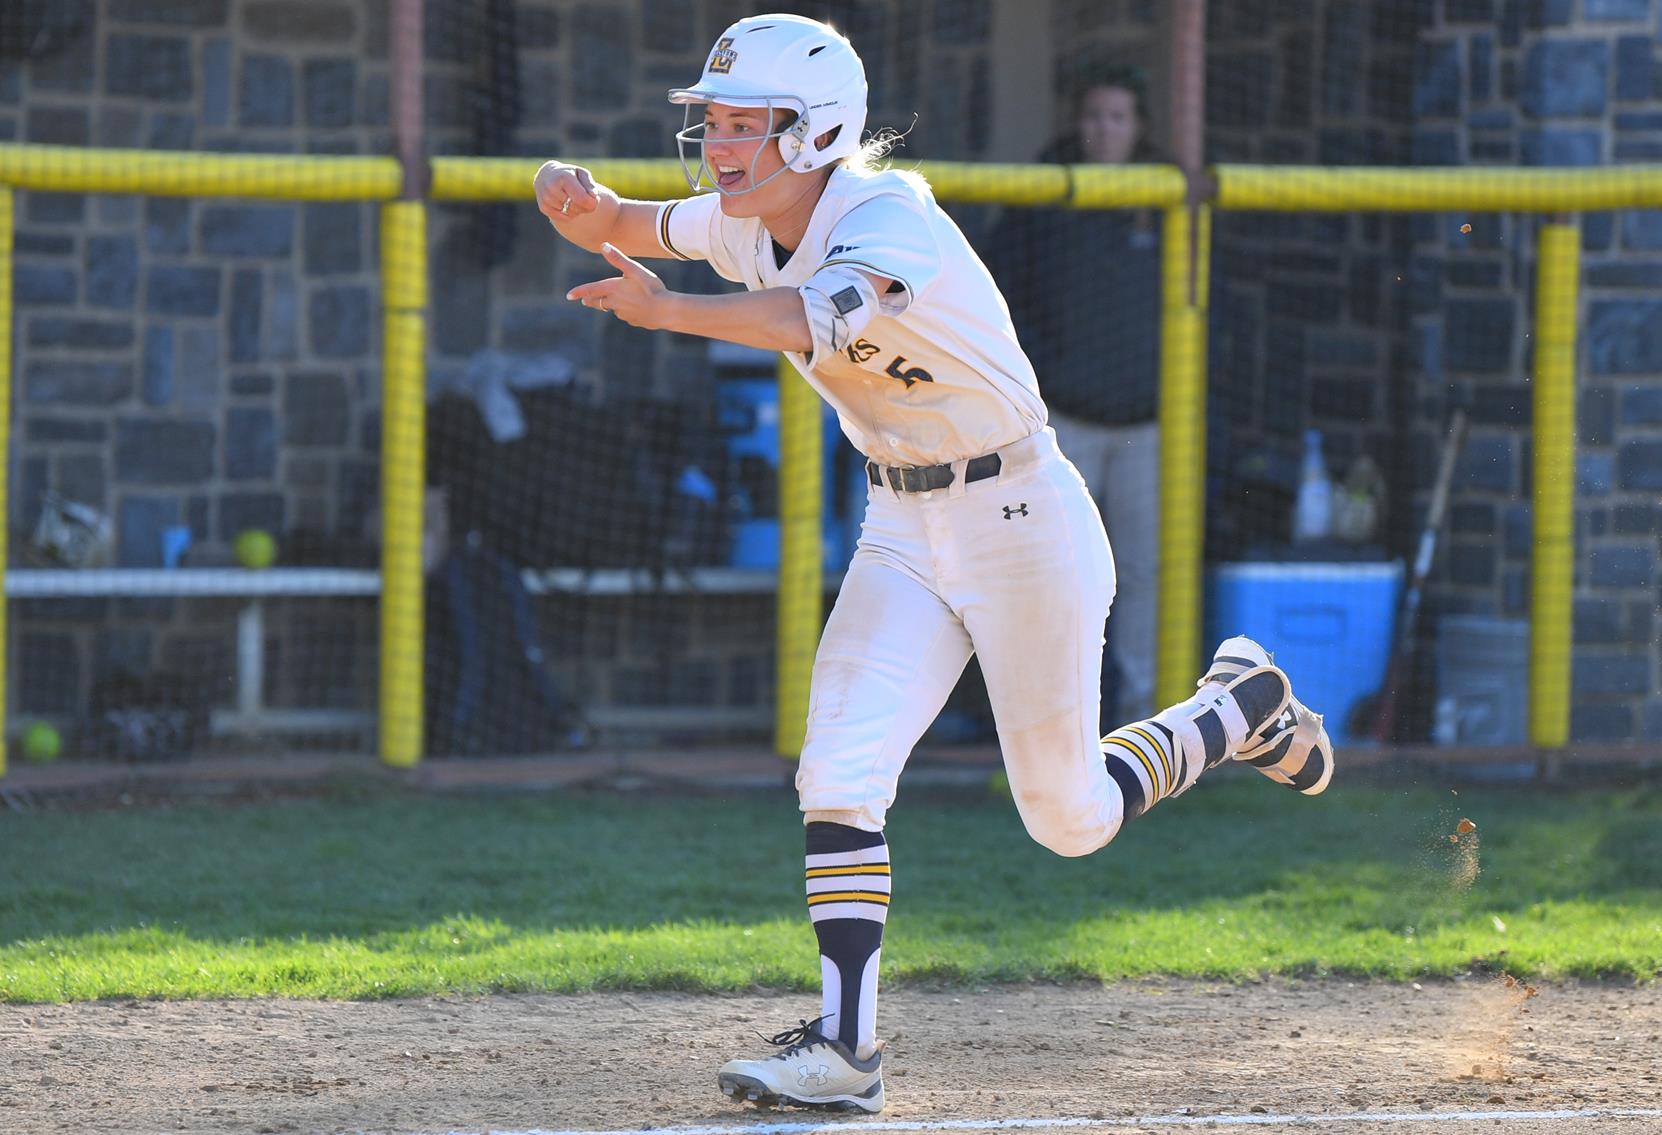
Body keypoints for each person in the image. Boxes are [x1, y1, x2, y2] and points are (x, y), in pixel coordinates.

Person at [532, 13, 1334, 1114]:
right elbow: (626, 222)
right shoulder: (740, 219)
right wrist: (575, 203)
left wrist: (667, 312)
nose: (718, 143)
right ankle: (846, 1051)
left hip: (1020, 517)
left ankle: (1233, 709)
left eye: (743, 122)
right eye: (709, 120)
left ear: (814, 134)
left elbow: (811, 315)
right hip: (902, 525)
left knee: (1067, 818)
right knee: (837, 773)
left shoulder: (886, 212)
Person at [984, 62, 1164, 732]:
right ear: (1076, 121)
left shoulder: (1168, 192)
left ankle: (1150, 734)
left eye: (1117, 117)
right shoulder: (1043, 197)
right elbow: (998, 299)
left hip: (1149, 430)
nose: (1104, 129)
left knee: (1146, 578)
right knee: (1058, 578)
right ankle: (1053, 732)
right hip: (1063, 425)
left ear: (1137, 126)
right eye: (1093, 115)